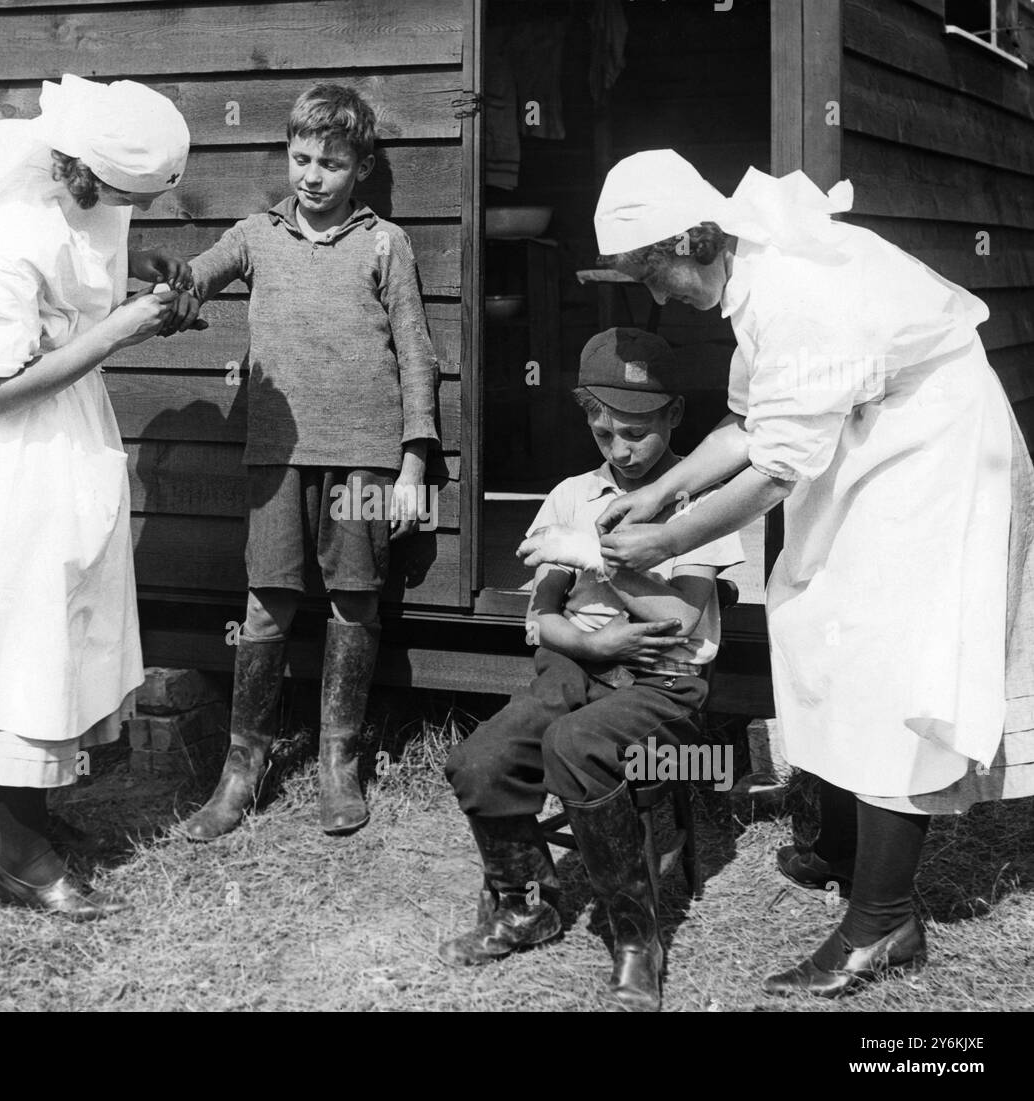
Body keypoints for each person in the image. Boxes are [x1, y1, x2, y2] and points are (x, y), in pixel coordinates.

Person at [520, 149, 1034, 998]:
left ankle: (883, 920)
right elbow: (745, 423)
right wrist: (663, 495)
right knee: (816, 614)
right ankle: (843, 845)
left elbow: (773, 474)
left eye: (654, 271)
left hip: (937, 457)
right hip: (877, 441)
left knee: (890, 660)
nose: (654, 294)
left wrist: (663, 538)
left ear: (694, 236)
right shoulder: (752, 275)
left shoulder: (792, 291)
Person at [0, 75, 197, 920]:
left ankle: (28, 816)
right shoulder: (1, 232)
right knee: (22, 630)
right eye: (123, 198)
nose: (124, 210)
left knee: (60, 621)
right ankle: (21, 859)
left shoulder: (72, 181)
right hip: (8, 453)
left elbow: (89, 249)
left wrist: (142, 271)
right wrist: (120, 329)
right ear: (79, 170)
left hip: (61, 433)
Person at [441, 328, 743, 1010]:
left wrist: (595, 555)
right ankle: (526, 905)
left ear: (673, 415)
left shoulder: (703, 499)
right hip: (575, 662)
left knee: (574, 744)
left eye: (637, 431)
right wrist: (593, 643)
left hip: (664, 684)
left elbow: (682, 623)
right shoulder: (571, 494)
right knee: (478, 760)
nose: (621, 449)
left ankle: (637, 940)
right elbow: (540, 618)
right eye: (604, 431)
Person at [179, 83, 439, 840]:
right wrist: (167, 280)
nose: (312, 175)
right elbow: (196, 276)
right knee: (267, 602)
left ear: (360, 165)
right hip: (278, 456)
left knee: (355, 597)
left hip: (365, 459)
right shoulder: (256, 235)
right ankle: (241, 768)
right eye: (301, 158)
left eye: (330, 161)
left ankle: (337, 761)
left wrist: (414, 464)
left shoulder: (386, 242)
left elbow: (417, 355)